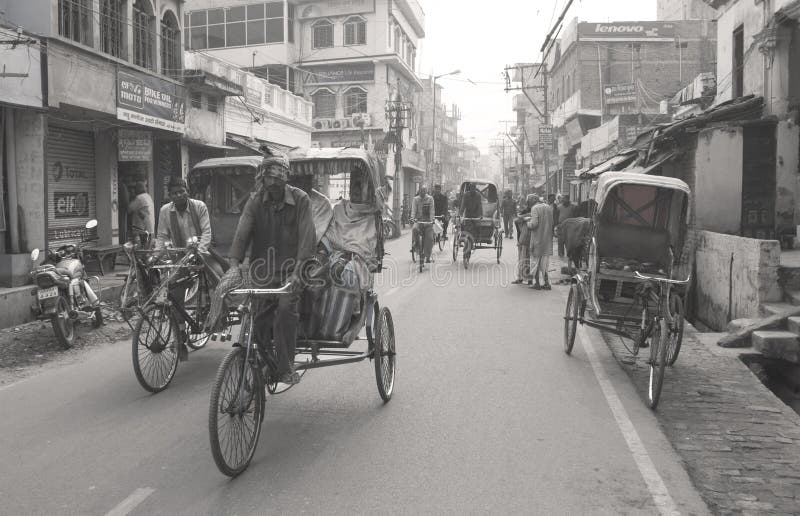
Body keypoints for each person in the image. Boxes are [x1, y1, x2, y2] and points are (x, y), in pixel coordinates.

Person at [228, 153, 316, 385]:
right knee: (258, 319)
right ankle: (265, 360)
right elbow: (242, 233)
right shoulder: (255, 201)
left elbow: (307, 238)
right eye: (270, 177)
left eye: (279, 177)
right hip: (263, 272)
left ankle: (285, 368)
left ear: (286, 178)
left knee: (285, 312)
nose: (274, 182)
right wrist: (234, 265)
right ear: (263, 178)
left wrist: (298, 272)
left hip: (293, 271)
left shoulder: (301, 200)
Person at [154, 176, 214, 361]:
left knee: (216, 281)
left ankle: (212, 313)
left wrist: (199, 252)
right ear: (170, 195)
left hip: (202, 253)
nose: (178, 195)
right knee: (174, 292)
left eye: (181, 191)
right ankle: (179, 334)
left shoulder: (199, 206)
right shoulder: (165, 210)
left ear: (187, 191)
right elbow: (162, 236)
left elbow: (206, 232)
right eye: (174, 193)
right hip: (179, 256)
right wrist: (156, 256)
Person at [528, 195, 554, 290]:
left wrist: (528, 223)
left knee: (535, 262)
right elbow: (552, 222)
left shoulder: (534, 208)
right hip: (547, 240)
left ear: (533, 200)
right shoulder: (548, 207)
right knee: (544, 264)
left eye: (529, 201)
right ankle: (547, 283)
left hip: (537, 239)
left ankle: (537, 284)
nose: (529, 203)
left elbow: (534, 224)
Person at [511, 194, 536, 285]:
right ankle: (523, 278)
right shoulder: (527, 211)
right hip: (524, 239)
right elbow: (517, 221)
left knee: (526, 259)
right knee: (524, 259)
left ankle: (526, 279)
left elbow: (518, 221)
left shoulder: (534, 212)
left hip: (528, 239)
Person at [411, 185, 435, 263]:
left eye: (424, 191)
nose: (422, 192)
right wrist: (412, 218)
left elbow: (432, 210)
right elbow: (413, 210)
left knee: (430, 238)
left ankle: (428, 256)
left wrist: (432, 219)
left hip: (428, 221)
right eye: (421, 191)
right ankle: (416, 245)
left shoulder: (430, 199)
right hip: (418, 220)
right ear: (419, 191)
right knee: (414, 229)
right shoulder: (415, 199)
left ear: (426, 191)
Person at [127, 179, 154, 247]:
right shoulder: (148, 196)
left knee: (141, 247)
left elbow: (129, 209)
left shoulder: (139, 198)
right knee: (147, 247)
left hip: (142, 229)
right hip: (150, 228)